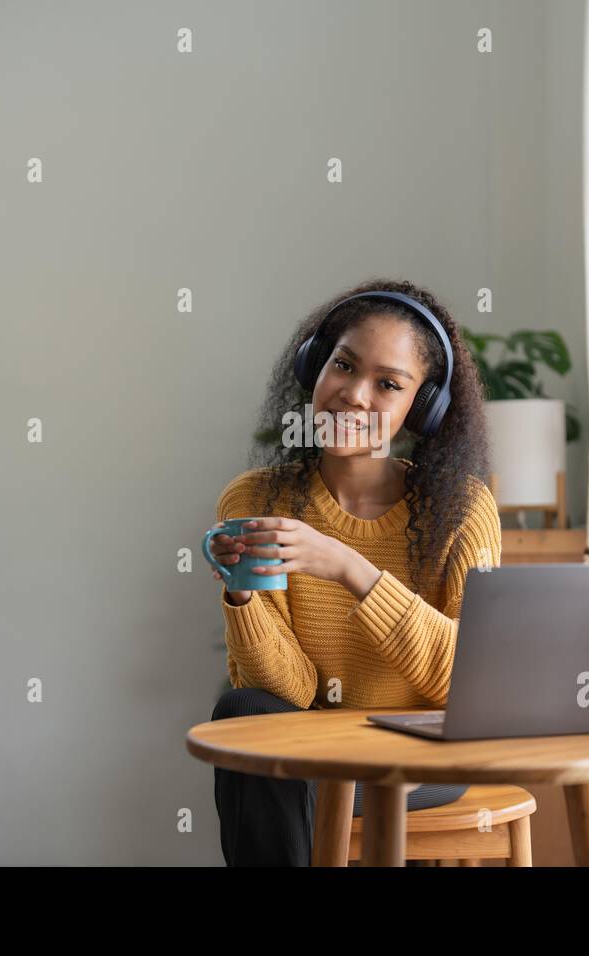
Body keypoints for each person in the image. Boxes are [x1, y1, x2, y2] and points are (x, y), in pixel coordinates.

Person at [206, 277, 503, 866]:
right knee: (243, 716)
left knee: (274, 778)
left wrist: (349, 568)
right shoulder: (254, 500)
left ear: (421, 408)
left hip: (422, 756)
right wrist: (244, 598)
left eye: (388, 384)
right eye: (343, 366)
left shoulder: (463, 509)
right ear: (315, 367)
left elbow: (468, 684)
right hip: (314, 748)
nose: (354, 395)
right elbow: (289, 692)